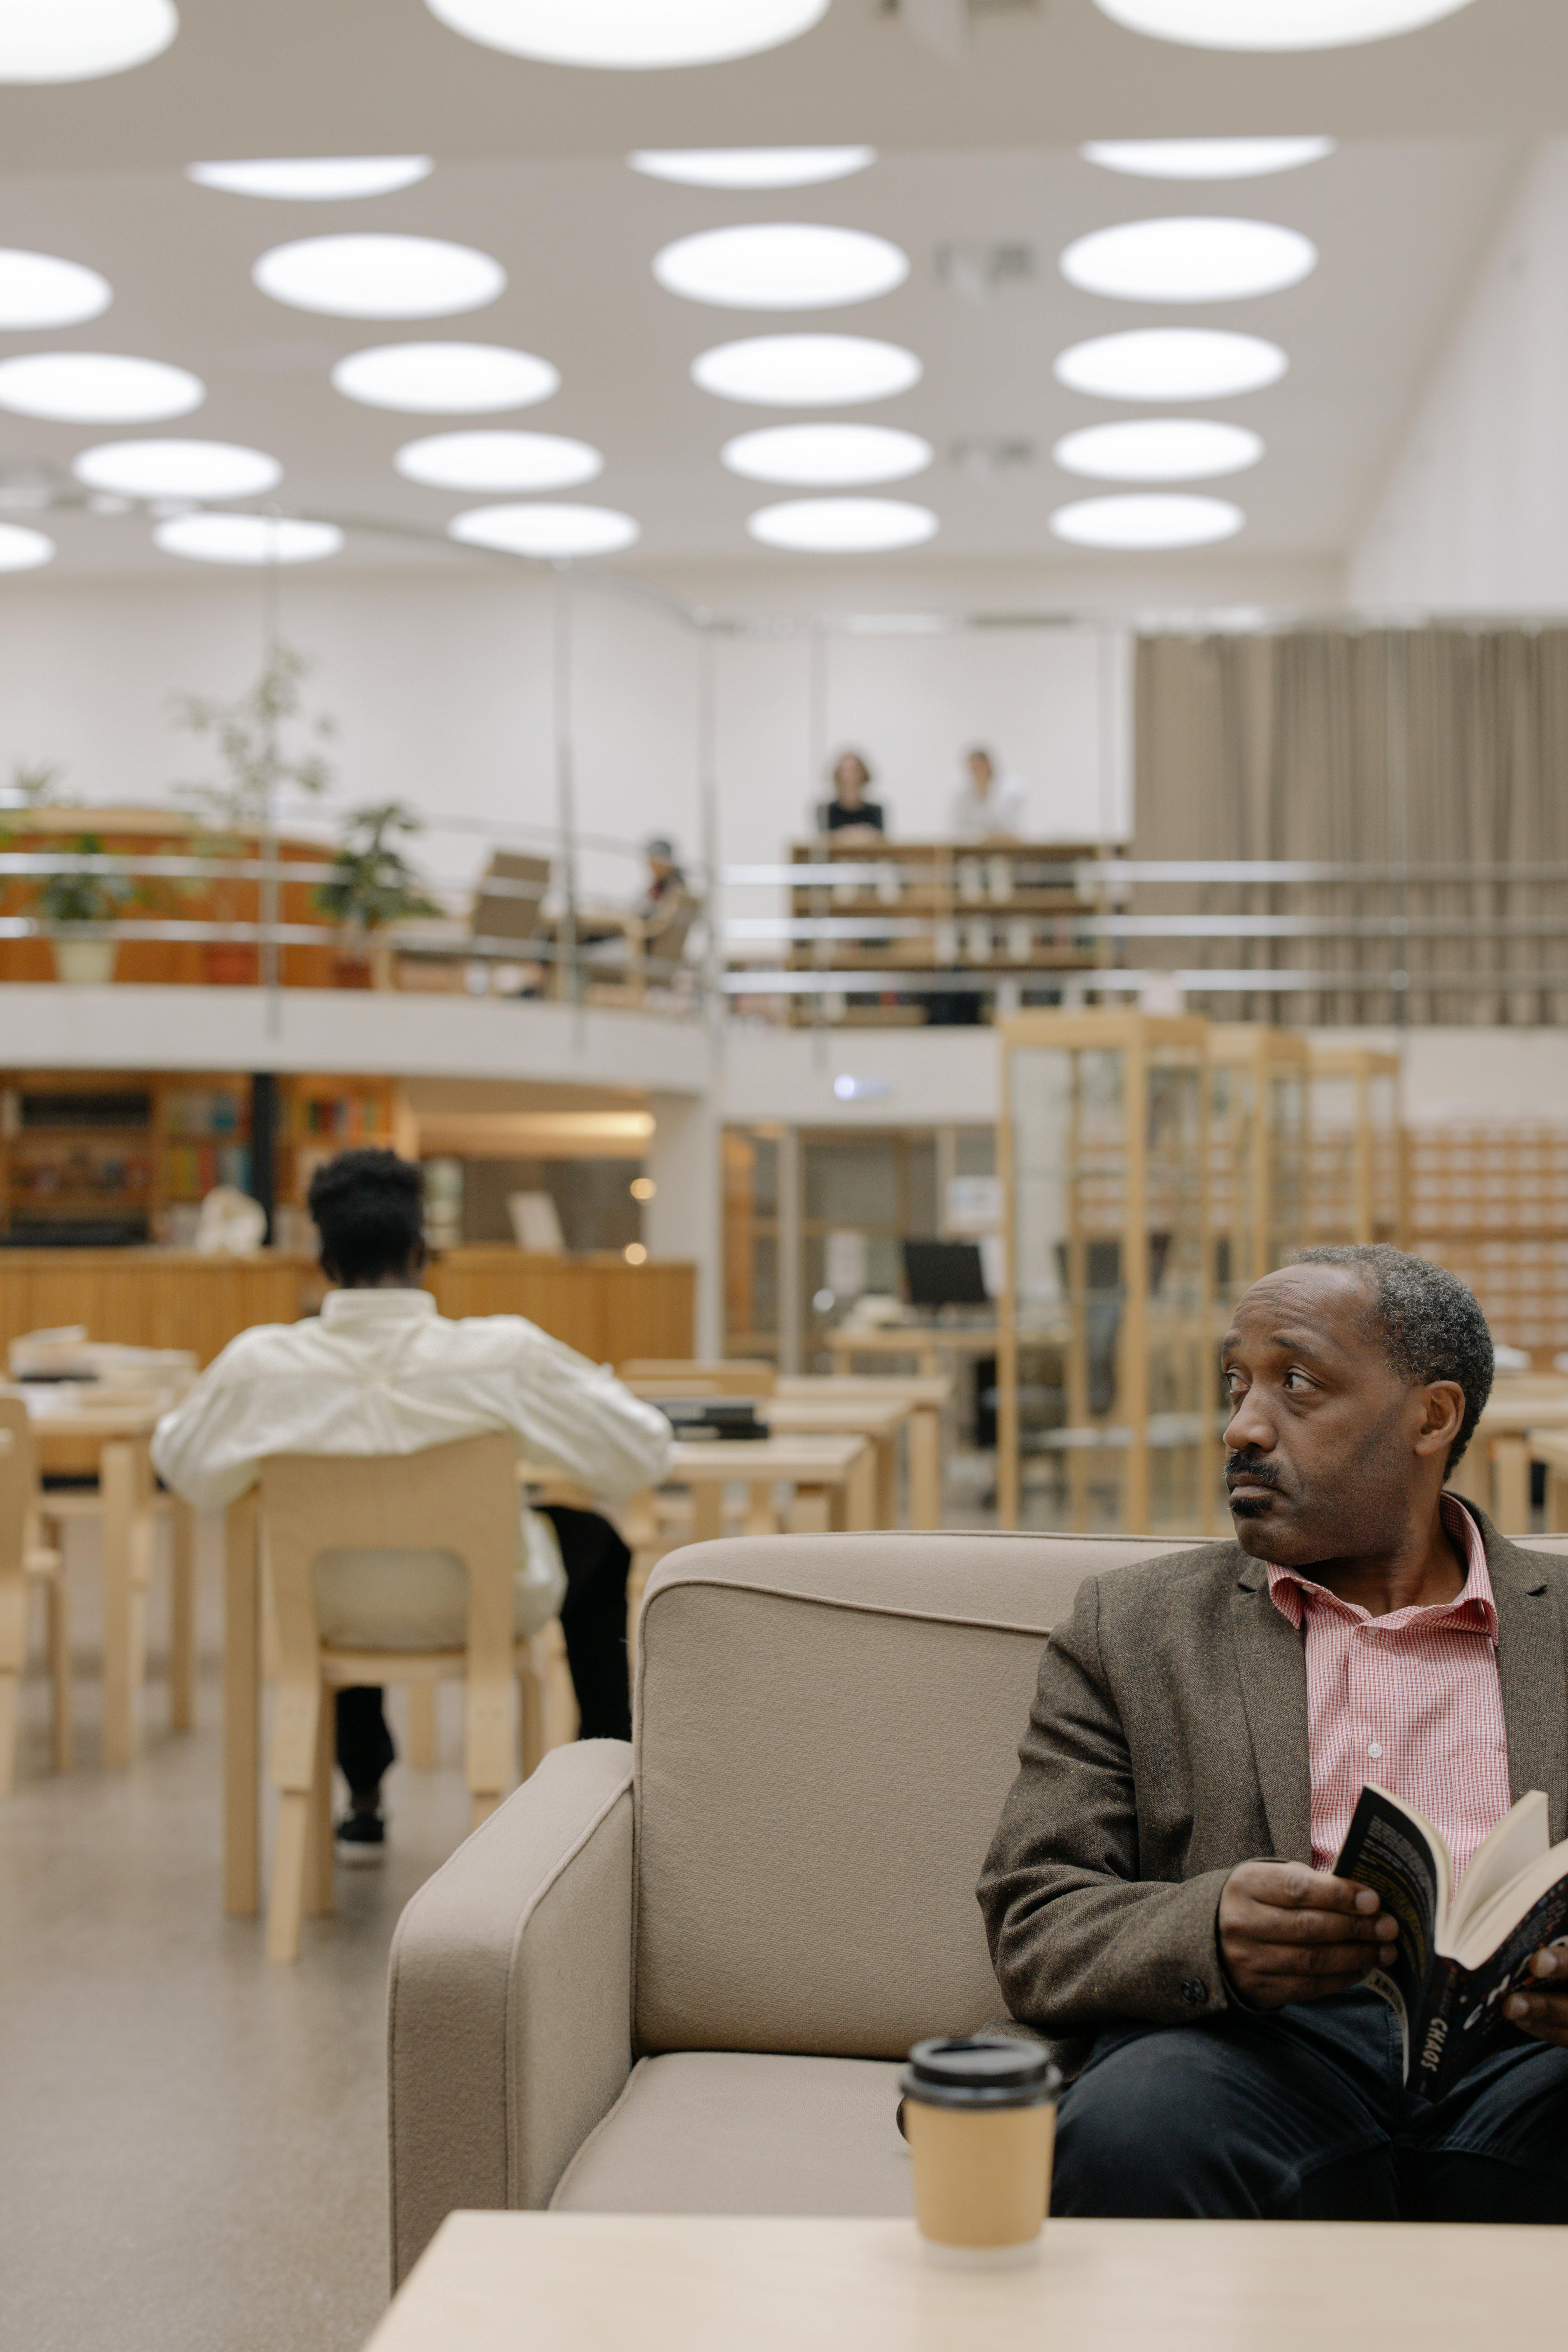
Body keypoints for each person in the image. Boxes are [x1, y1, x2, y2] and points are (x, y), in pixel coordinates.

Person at [979, 1244, 1568, 2221]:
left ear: (1433, 1416)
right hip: (1251, 2046)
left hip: (1531, 2061)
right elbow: (1035, 1918)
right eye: (1236, 1383)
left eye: (1296, 1383)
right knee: (1132, 2128)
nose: (1242, 1426)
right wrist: (1209, 1929)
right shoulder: (1131, 1631)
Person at [151, 1148, 670, 1860]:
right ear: (423, 1251)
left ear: (322, 1260)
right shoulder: (503, 1355)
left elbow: (184, 1470)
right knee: (597, 1541)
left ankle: (362, 1796)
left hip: (331, 1607)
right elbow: (642, 1451)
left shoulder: (260, 1367)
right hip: (481, 1600)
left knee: (344, 1539)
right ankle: (605, 1795)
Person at [950, 746, 1026, 841]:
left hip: (1007, 844)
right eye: (974, 768)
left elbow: (1013, 825)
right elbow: (958, 826)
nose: (978, 772)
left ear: (989, 765)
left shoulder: (1012, 790)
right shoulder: (961, 792)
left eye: (981, 767)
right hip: (975, 846)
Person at [815, 750, 887, 842]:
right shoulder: (826, 811)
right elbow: (825, 839)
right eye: (844, 771)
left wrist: (843, 835)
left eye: (853, 770)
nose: (848, 776)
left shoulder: (875, 811)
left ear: (863, 775)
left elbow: (880, 839)